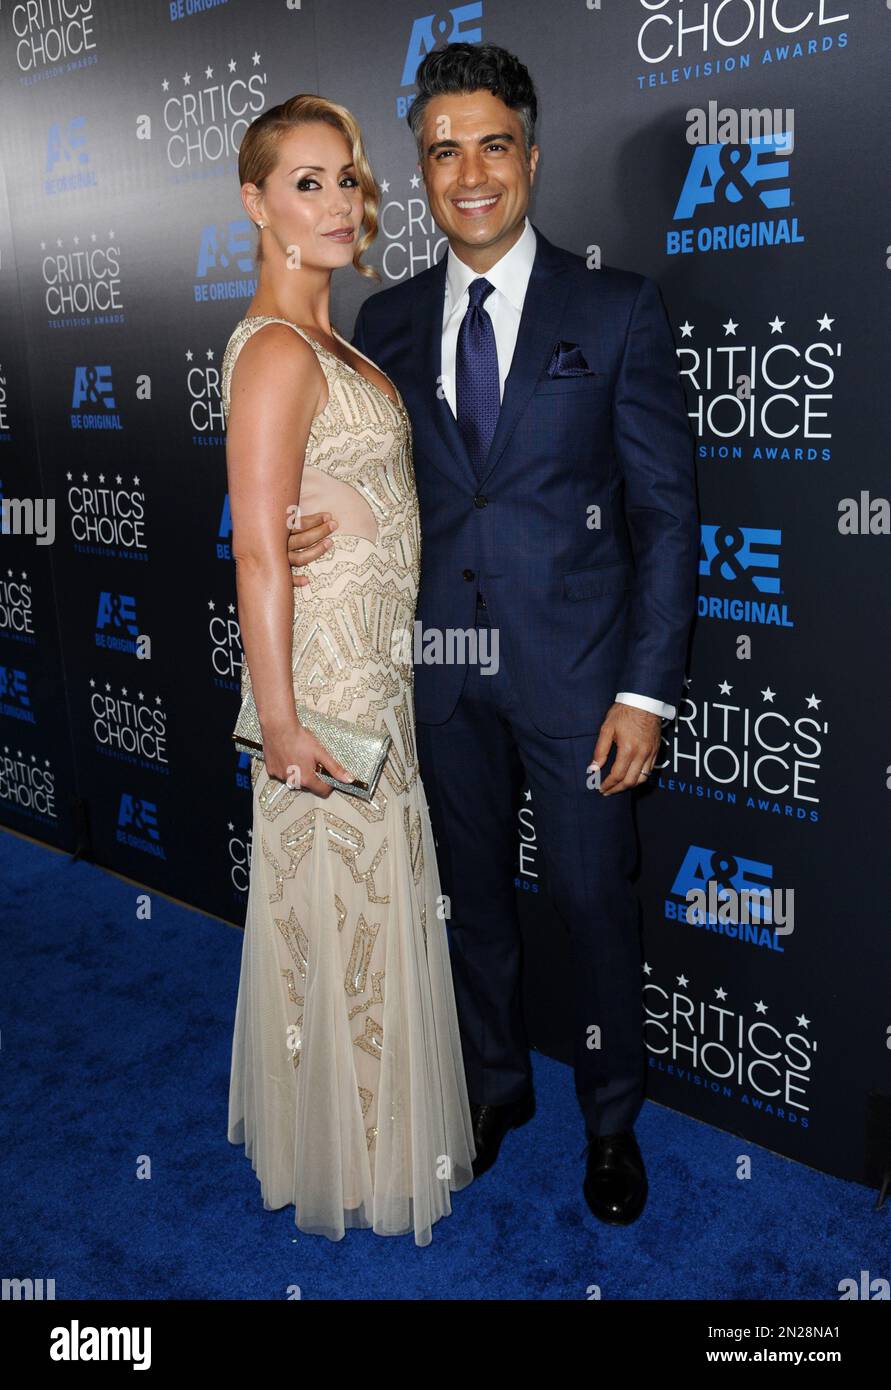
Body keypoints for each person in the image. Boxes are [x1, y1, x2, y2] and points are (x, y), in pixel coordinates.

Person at [287, 45, 699, 1225]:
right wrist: (302, 516)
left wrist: (646, 692)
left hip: (579, 682)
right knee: (465, 898)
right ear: (418, 170)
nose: (469, 173)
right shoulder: (391, 316)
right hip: (438, 679)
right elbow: (372, 469)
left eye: (492, 144)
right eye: (442, 150)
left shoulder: (613, 307)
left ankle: (612, 1121)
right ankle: (494, 1084)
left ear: (529, 151)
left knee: (591, 903)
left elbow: (667, 514)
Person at [221, 94, 475, 1246]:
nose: (339, 201)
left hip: (376, 671)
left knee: (368, 912)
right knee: (340, 909)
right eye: (307, 181)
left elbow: (333, 501)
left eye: (349, 179)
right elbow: (261, 547)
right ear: (257, 203)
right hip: (324, 688)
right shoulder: (277, 346)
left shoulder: (338, 339)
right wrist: (279, 720)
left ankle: (369, 1129)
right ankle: (349, 1144)